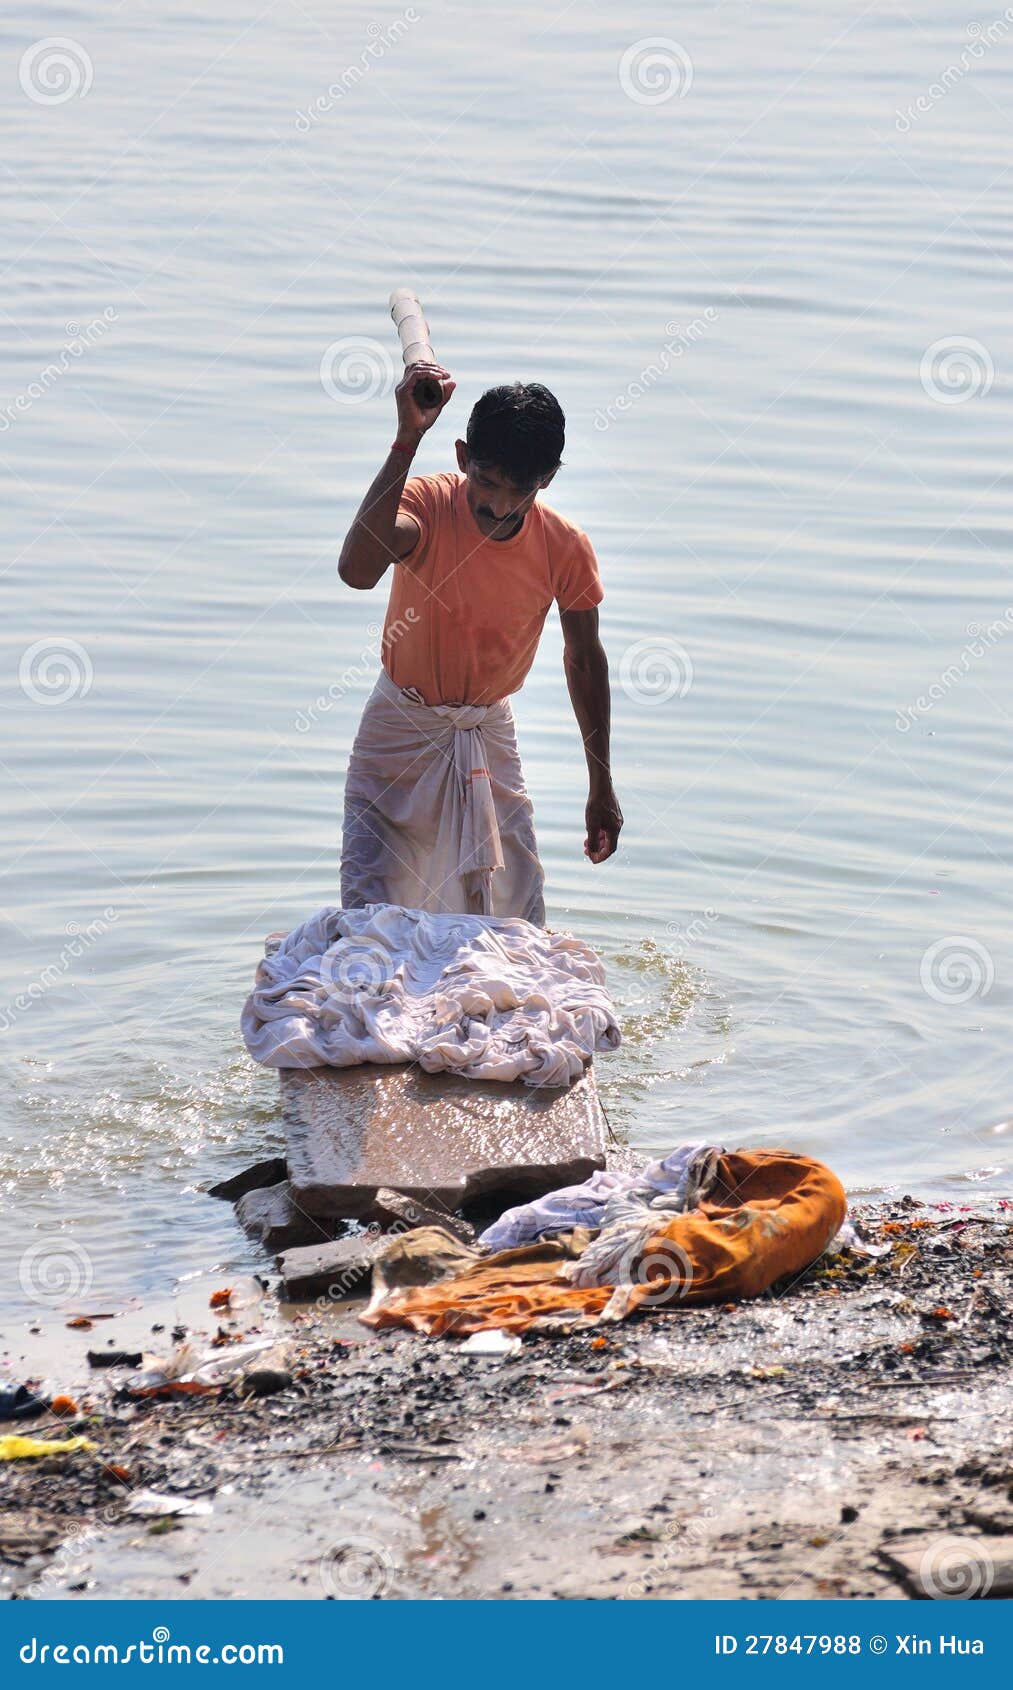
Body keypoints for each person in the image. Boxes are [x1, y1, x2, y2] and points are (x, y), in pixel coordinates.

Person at [337, 360, 622, 925]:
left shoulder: (564, 548)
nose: (497, 506)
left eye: (519, 493)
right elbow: (357, 570)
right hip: (399, 729)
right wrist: (407, 438)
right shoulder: (427, 505)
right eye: (486, 483)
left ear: (548, 480)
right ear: (464, 458)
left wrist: (601, 784)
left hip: (487, 734)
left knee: (513, 922)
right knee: (371, 917)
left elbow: (584, 661)